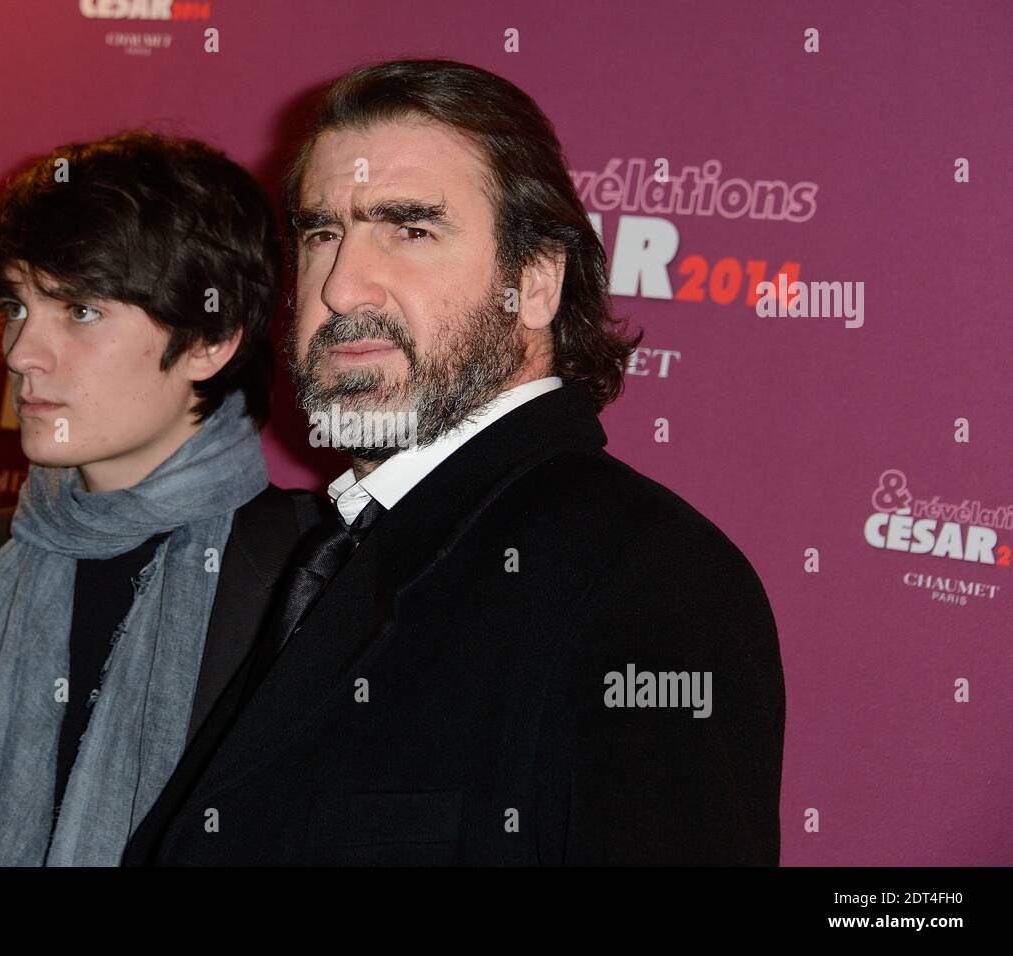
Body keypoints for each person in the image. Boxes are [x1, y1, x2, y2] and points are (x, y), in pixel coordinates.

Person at [125, 60, 786, 865]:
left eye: (409, 228)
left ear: (537, 281)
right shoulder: (335, 545)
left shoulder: (649, 578)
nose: (341, 288)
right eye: (322, 233)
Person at [0, 130, 327, 866]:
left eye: (78, 312)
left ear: (211, 338)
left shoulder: (310, 571)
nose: (18, 354)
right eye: (17, 306)